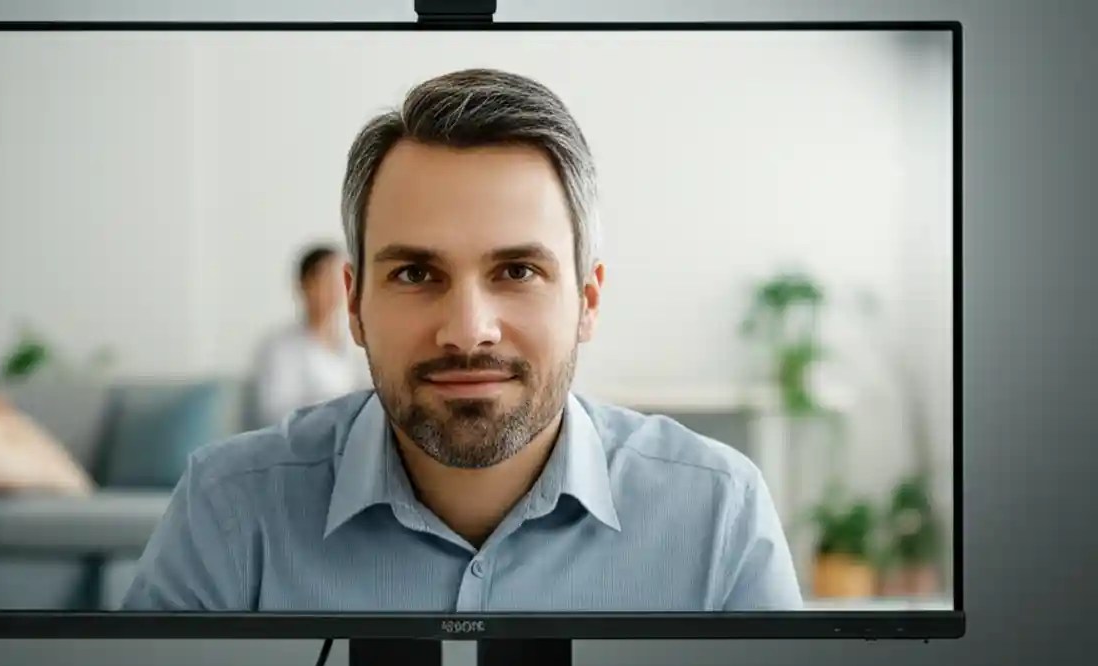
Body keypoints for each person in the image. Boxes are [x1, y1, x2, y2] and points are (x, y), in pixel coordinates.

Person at [123, 68, 802, 612]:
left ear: (588, 301)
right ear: (354, 305)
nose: (467, 331)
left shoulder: (718, 514)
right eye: (417, 273)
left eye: (517, 271)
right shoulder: (227, 510)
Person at [251, 244, 370, 428]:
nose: (336, 289)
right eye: (327, 280)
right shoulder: (280, 347)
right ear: (304, 285)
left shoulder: (353, 341)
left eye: (341, 281)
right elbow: (275, 413)